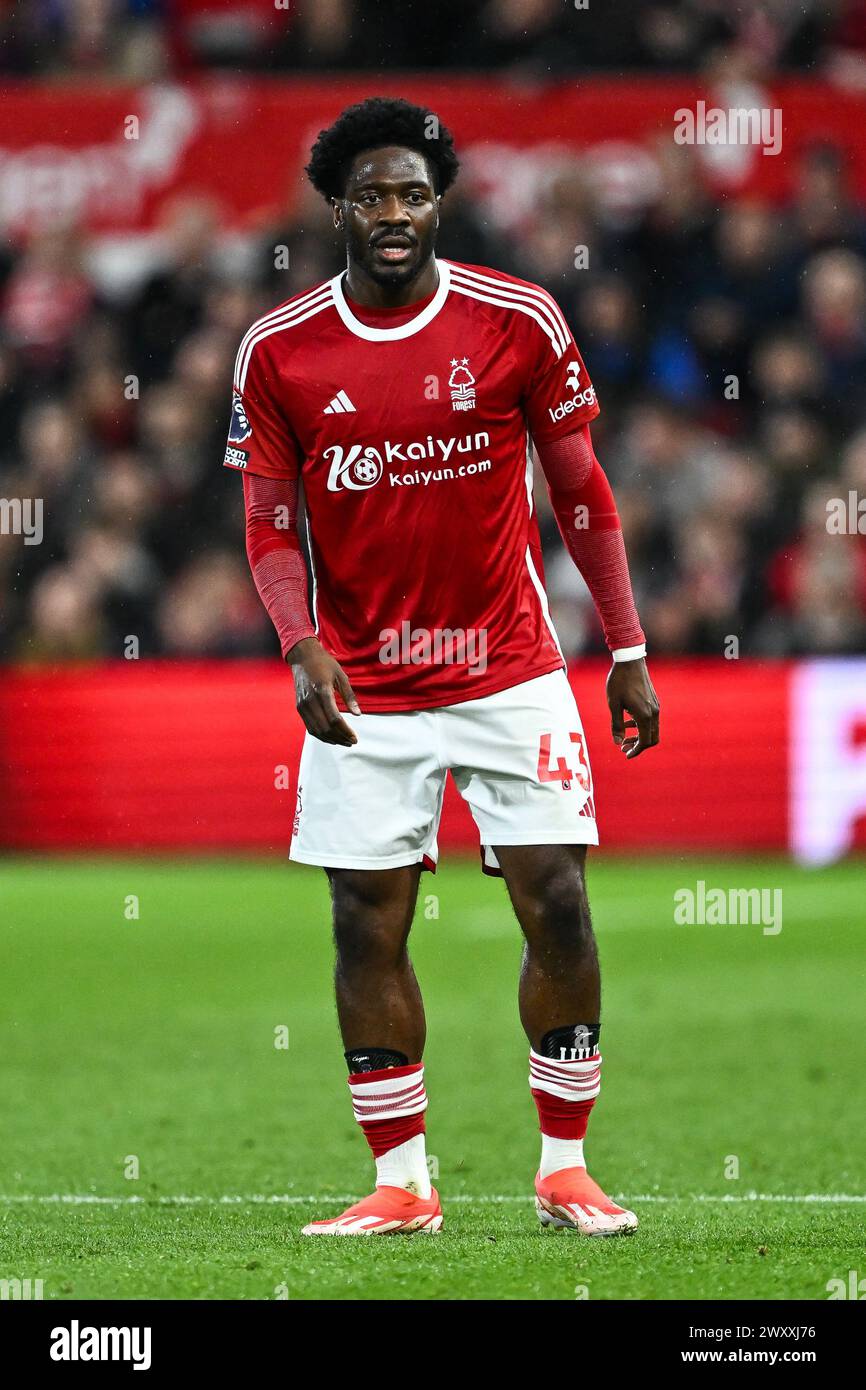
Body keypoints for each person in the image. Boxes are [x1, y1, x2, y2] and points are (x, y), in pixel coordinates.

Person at [226, 97, 659, 1236]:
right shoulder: (277, 350)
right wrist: (298, 638)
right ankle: (402, 1180)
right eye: (370, 195)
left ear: (439, 204)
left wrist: (626, 648)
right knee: (364, 922)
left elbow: (581, 492)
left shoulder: (516, 319)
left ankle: (562, 1165)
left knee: (557, 902)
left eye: (412, 194)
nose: (393, 213)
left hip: (508, 669)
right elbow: (267, 522)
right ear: (336, 208)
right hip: (365, 689)